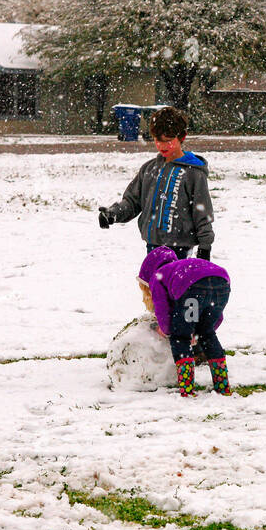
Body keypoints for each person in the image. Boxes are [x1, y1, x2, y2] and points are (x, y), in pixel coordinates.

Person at [98, 106, 215, 260]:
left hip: (180, 248)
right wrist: (113, 213)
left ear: (182, 137)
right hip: (152, 245)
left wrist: (205, 247)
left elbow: (202, 212)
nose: (162, 146)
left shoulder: (193, 173)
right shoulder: (150, 169)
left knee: (174, 284)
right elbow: (132, 201)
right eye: (157, 140)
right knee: (152, 284)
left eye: (168, 141)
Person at [139, 246, 231, 397]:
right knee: (207, 334)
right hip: (222, 281)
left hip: (193, 288)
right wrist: (204, 329)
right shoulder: (182, 267)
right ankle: (222, 386)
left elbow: (162, 309)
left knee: (180, 337)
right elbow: (217, 317)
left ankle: (187, 389)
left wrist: (167, 329)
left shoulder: (158, 276)